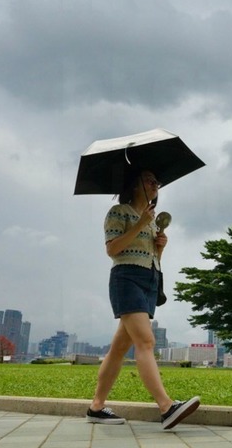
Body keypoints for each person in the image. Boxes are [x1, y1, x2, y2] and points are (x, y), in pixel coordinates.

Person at [86, 168, 200, 430]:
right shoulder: (119, 212)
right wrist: (138, 225)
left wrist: (160, 249)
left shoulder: (151, 221)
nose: (155, 185)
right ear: (135, 184)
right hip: (126, 278)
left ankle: (96, 406)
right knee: (146, 341)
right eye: (149, 180)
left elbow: (151, 259)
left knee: (117, 350)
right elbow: (112, 249)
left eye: (157, 181)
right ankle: (166, 407)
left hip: (149, 280)